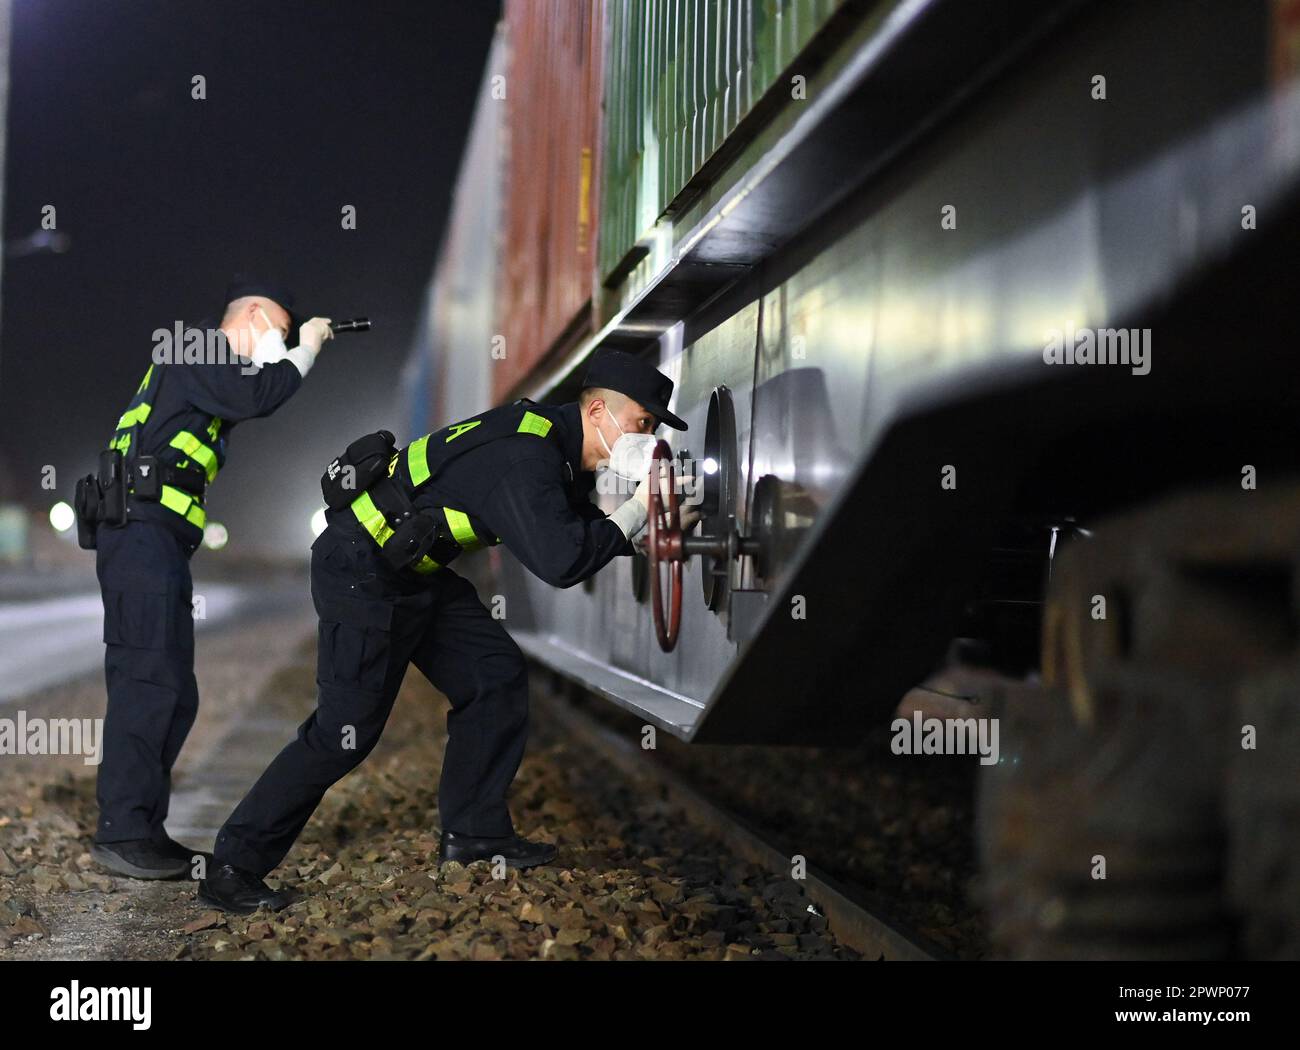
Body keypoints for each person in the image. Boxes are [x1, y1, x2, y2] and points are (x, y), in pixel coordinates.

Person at [198, 350, 697, 913]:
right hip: (361, 570)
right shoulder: (526, 457)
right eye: (643, 424)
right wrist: (637, 512)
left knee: (494, 676)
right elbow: (563, 562)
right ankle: (232, 867)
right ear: (600, 409)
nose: (648, 439)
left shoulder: (552, 448)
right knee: (344, 732)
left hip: (415, 572)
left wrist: (652, 525)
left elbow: (577, 530)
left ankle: (475, 836)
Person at [89, 276, 334, 879]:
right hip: (140, 534)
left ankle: (142, 827)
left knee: (172, 687)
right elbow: (264, 394)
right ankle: (122, 831)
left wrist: (288, 351)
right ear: (250, 316)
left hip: (155, 539)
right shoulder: (195, 349)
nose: (274, 345)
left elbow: (252, 395)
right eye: (273, 331)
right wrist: (306, 347)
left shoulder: (199, 367)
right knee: (150, 680)